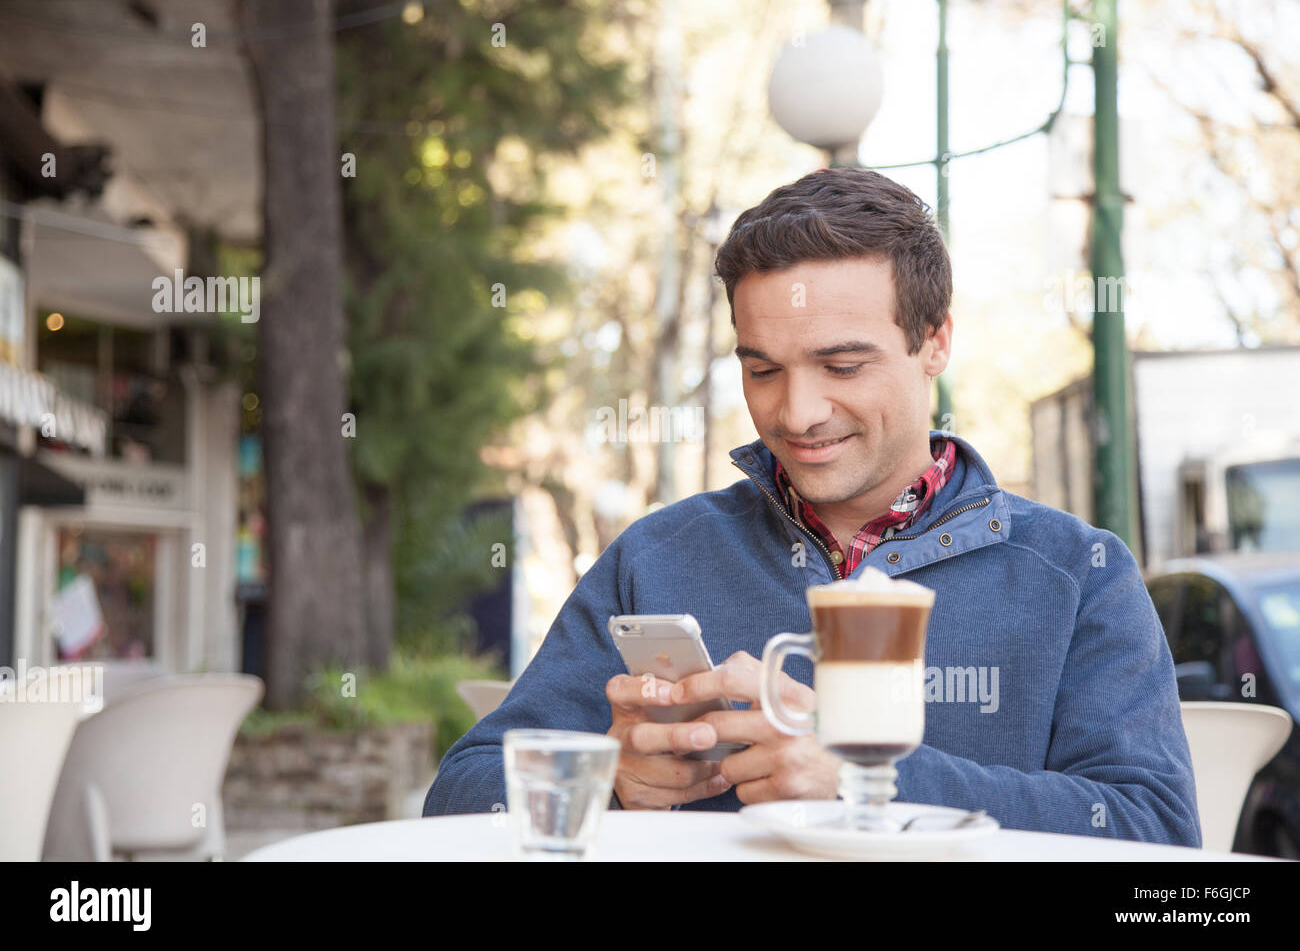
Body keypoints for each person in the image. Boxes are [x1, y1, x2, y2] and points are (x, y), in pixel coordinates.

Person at [423, 167, 1201, 846]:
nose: (797, 414)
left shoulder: (1077, 574)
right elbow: (457, 797)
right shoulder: (655, 558)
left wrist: (875, 783)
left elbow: (1156, 835)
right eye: (763, 371)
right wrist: (611, 781)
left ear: (934, 342)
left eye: (841, 364)